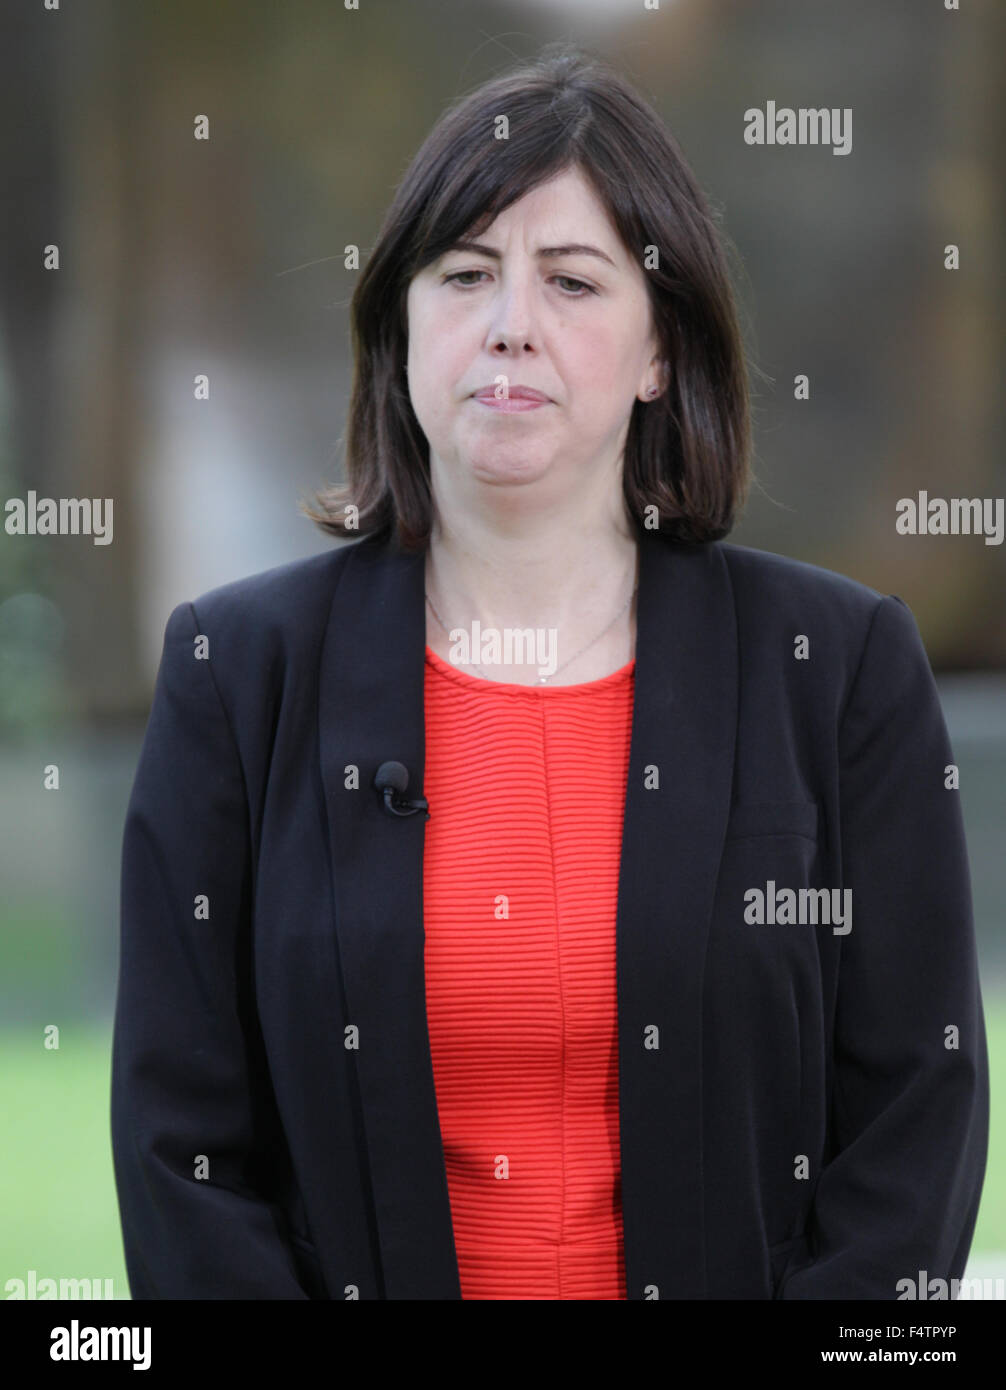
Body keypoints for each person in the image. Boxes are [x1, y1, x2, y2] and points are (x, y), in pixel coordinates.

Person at [110, 43, 989, 1300]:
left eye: (572, 282)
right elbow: (177, 1147)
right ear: (400, 331)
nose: (511, 323)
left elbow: (917, 1112)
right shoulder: (238, 676)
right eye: (464, 274)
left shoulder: (838, 673)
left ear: (658, 352)